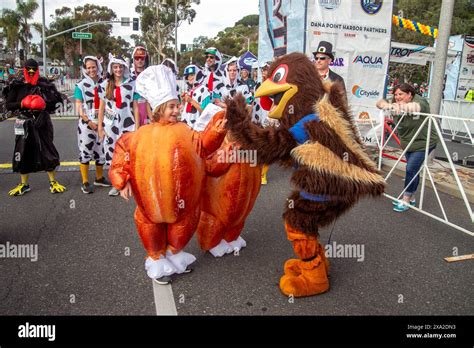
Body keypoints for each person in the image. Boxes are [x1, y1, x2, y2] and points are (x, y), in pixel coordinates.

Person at [108, 65, 227, 284]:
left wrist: (217, 130)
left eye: (177, 106)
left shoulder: (185, 131)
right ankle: (156, 259)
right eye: (171, 106)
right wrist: (121, 180)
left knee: (182, 226)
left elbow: (203, 145)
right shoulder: (140, 135)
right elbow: (122, 151)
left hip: (182, 203)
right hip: (149, 202)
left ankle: (173, 254)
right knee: (150, 227)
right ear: (159, 108)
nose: (176, 110)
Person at [6, 58, 66, 196]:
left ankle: (53, 182)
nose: (31, 72)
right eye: (29, 70)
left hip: (42, 121)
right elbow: (9, 104)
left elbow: (57, 102)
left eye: (34, 69)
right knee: (22, 150)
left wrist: (44, 103)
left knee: (47, 148)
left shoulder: (44, 85)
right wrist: (22, 103)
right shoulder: (17, 85)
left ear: (37, 70)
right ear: (24, 70)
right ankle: (24, 184)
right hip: (24, 122)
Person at [376, 83, 438, 212]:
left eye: (401, 94)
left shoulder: (419, 100)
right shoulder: (395, 102)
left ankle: (405, 199)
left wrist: (402, 107)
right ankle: (412, 198)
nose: (397, 97)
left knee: (410, 169)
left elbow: (415, 107)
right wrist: (388, 105)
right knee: (413, 170)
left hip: (423, 142)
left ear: (410, 94)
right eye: (396, 94)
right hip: (408, 143)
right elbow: (379, 103)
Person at [97, 54, 138, 196]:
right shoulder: (104, 85)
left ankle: (129, 182)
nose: (118, 69)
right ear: (111, 68)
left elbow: (136, 107)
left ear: (124, 68)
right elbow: (101, 107)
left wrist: (137, 127)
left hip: (127, 124)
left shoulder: (132, 85)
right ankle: (116, 183)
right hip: (110, 126)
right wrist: (100, 128)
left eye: (120, 67)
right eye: (115, 67)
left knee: (128, 154)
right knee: (111, 154)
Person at [74, 55, 111, 194]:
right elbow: (78, 105)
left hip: (102, 123)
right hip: (86, 124)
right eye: (88, 68)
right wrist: (88, 121)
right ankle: (85, 181)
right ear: (85, 69)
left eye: (93, 67)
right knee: (85, 151)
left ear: (98, 67)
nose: (91, 70)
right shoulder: (80, 85)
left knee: (101, 151)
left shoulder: (106, 83)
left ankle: (99, 178)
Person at [180, 64, 210, 128]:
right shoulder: (189, 90)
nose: (189, 78)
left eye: (192, 75)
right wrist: (183, 102)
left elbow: (206, 111)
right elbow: (183, 111)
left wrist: (191, 101)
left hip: (197, 129)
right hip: (186, 127)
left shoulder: (205, 90)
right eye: (187, 76)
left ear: (198, 75)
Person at [130, 46, 152, 128]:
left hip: (148, 114)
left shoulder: (150, 76)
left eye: (142, 58)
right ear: (133, 59)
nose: (139, 60)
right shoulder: (129, 77)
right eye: (137, 58)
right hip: (132, 116)